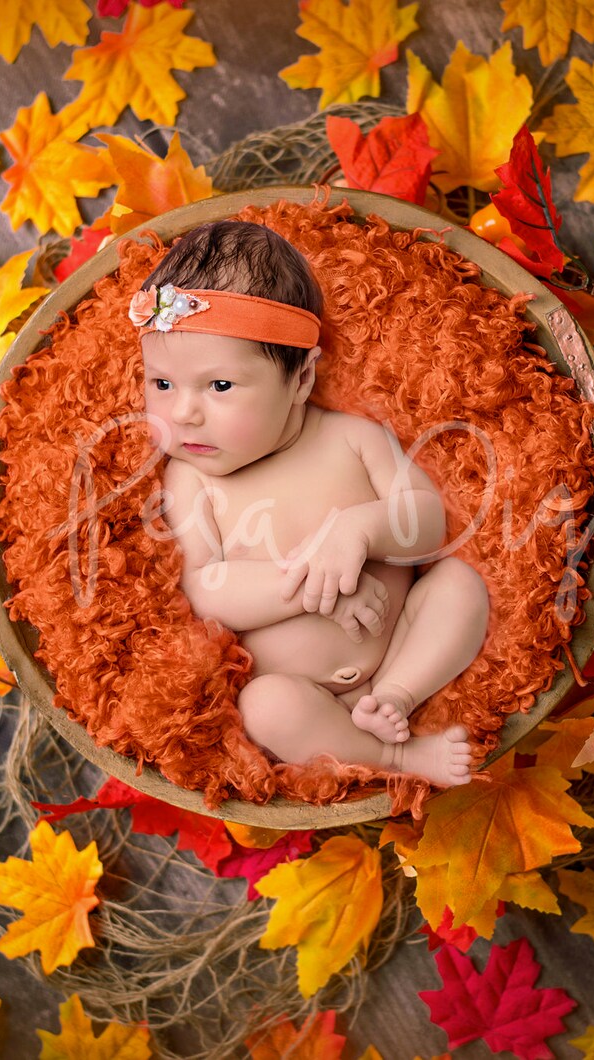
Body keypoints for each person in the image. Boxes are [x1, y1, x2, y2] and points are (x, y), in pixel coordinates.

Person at [133, 220, 489, 787]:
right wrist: (308, 584)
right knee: (265, 706)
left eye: (219, 386)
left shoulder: (352, 438)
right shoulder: (191, 480)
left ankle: (396, 696)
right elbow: (203, 587)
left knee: (458, 586)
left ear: (301, 379)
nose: (182, 413)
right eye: (161, 383)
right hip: (302, 694)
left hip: (399, 653)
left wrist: (361, 530)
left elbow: (428, 523)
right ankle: (398, 760)